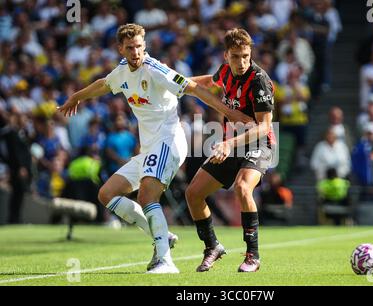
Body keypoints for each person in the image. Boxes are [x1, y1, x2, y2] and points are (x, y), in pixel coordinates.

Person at [58, 24, 251, 274]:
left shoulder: (156, 69)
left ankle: (164, 260)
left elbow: (192, 89)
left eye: (139, 46)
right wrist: (77, 96)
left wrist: (230, 112)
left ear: (144, 45)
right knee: (107, 194)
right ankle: (161, 234)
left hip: (169, 140)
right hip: (150, 147)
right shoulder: (121, 72)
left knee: (147, 195)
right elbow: (103, 84)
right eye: (130, 47)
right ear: (121, 49)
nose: (136, 51)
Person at [185, 28, 276, 273]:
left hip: (258, 143)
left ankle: (252, 256)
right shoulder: (225, 72)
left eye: (245, 56)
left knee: (243, 187)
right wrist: (180, 82)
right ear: (226, 56)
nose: (242, 62)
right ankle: (212, 246)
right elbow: (208, 81)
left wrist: (228, 144)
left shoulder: (259, 80)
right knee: (193, 194)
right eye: (236, 56)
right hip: (230, 144)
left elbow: (264, 126)